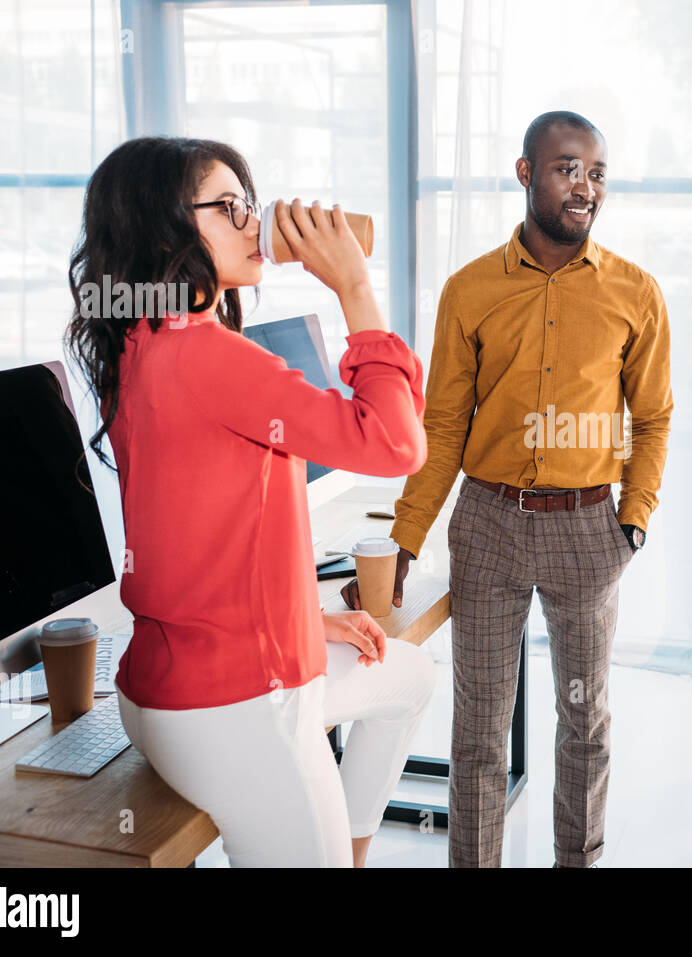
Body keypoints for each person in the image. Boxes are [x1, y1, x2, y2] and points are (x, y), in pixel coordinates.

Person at [65, 136, 436, 867]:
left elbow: (193, 538)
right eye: (227, 207)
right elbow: (395, 443)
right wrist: (355, 290)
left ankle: (338, 850)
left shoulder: (137, 341)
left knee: (409, 676)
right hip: (236, 712)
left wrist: (305, 618)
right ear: (165, 228)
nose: (252, 222)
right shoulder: (212, 355)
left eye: (249, 204)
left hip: (157, 689)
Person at [384, 111, 673, 867]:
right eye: (567, 168)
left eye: (597, 173)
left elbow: (653, 417)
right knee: (479, 730)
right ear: (525, 173)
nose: (585, 187)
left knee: (585, 722)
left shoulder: (636, 293)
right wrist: (407, 534)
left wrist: (634, 519)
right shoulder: (470, 289)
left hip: (589, 528)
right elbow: (444, 421)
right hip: (487, 524)